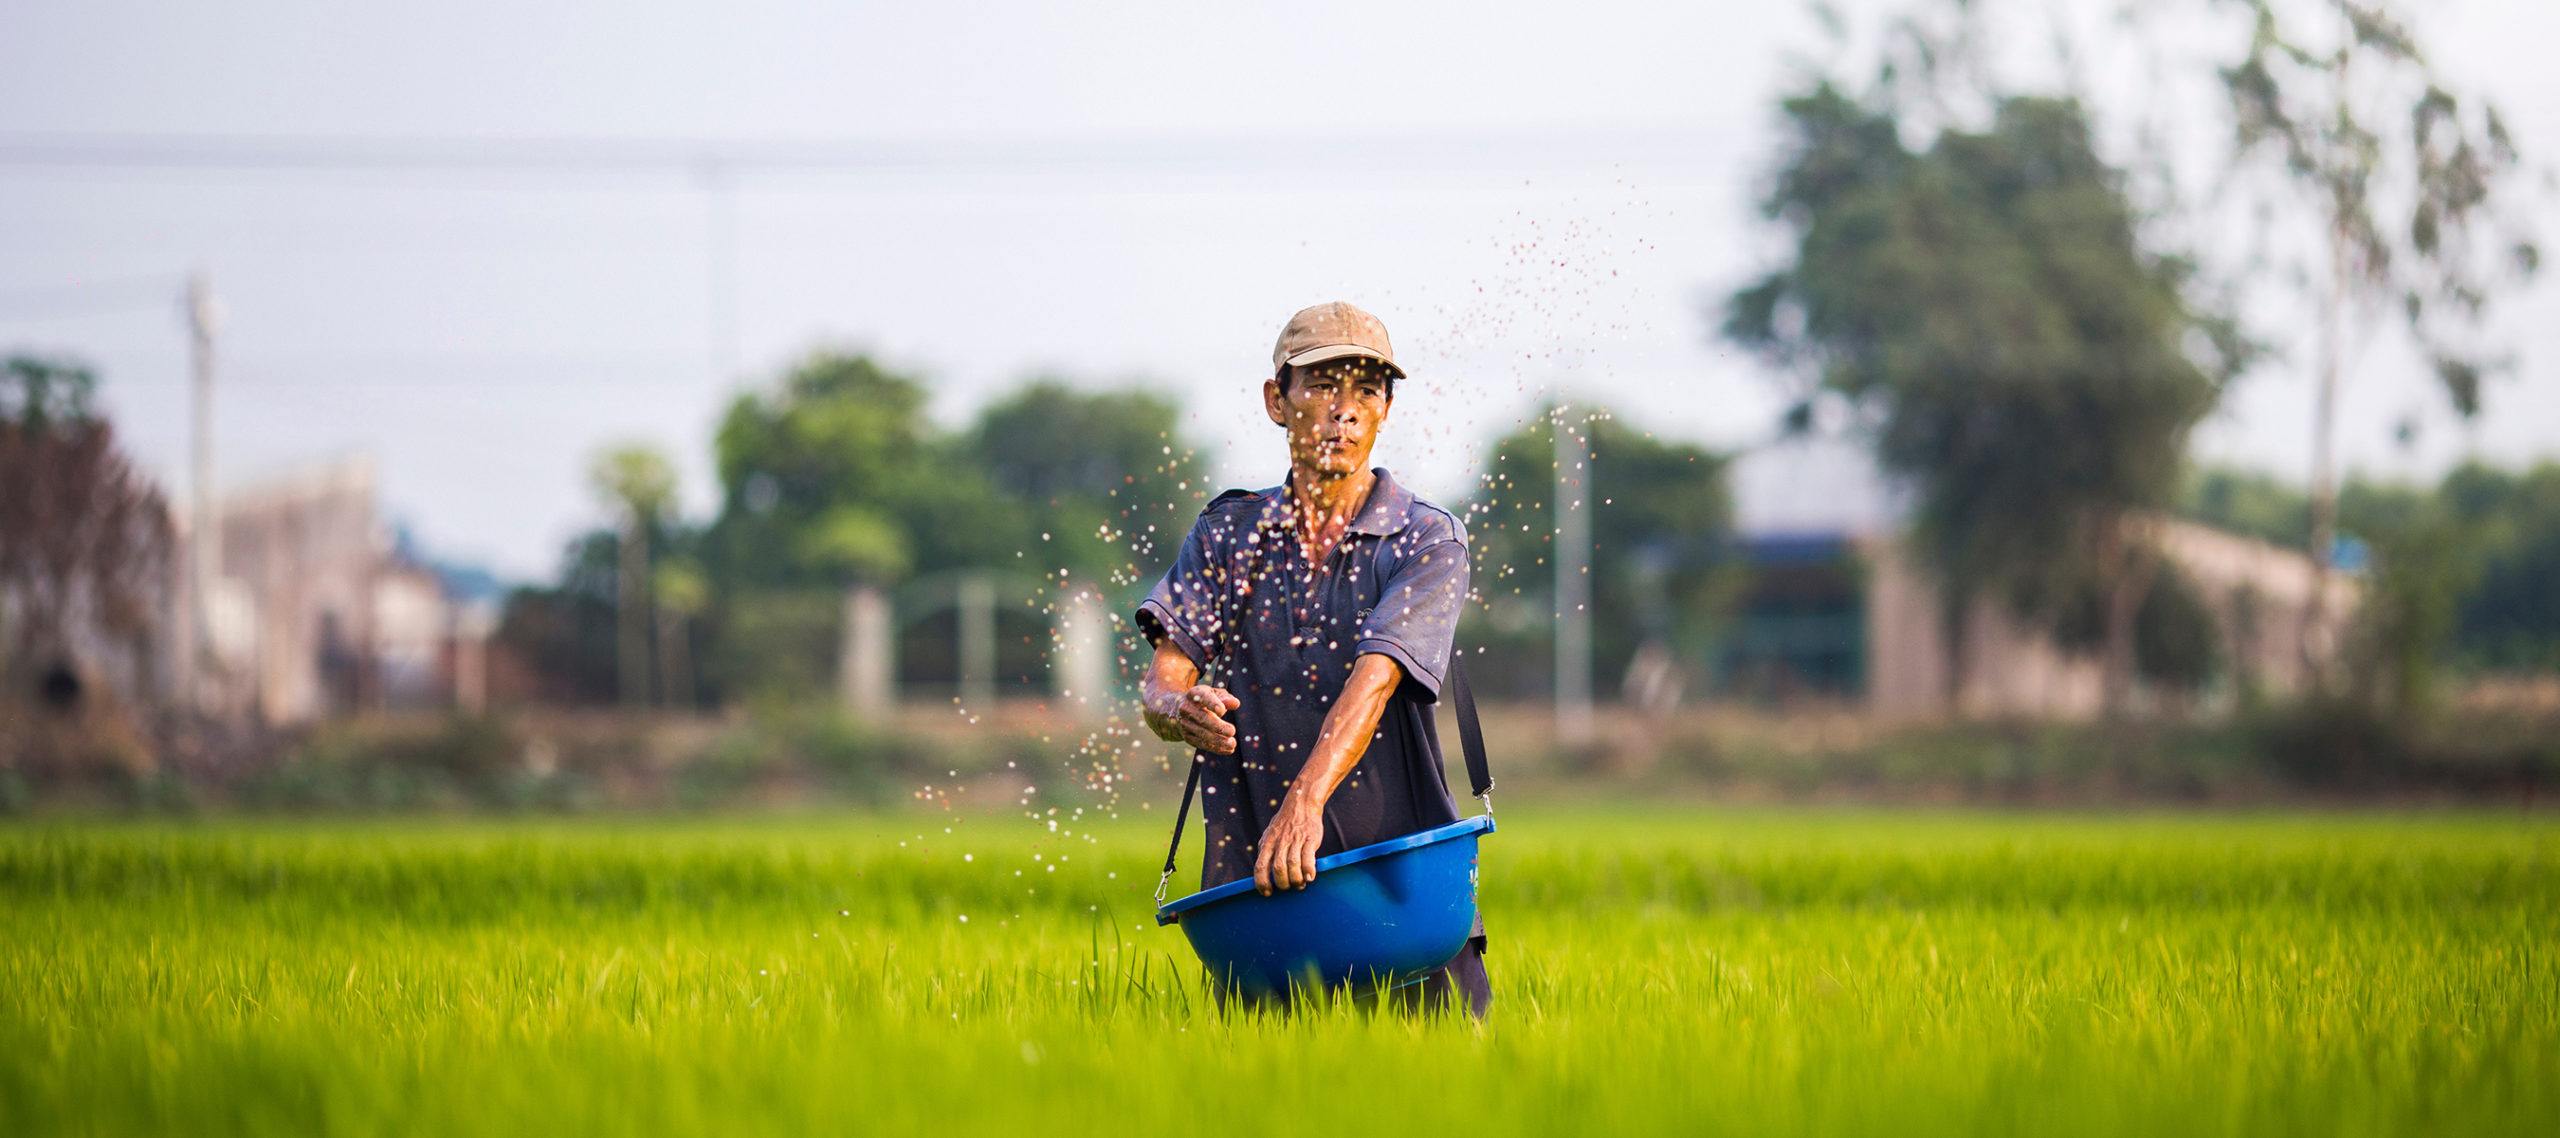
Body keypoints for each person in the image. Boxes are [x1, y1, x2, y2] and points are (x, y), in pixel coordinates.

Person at [1133, 300, 1489, 1017]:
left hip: (1405, 887)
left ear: (1387, 409)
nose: (1344, 411)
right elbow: (1163, 680)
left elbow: (1376, 678)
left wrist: (1305, 803)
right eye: (1323, 387)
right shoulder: (1227, 536)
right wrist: (1181, 709)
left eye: (1366, 390)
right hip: (1262, 898)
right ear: (1277, 401)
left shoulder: (1424, 540)